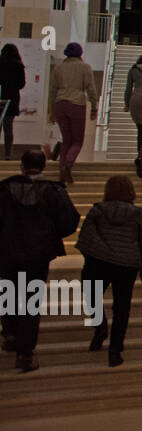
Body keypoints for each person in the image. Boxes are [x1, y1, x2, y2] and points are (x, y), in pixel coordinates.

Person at [0, 150, 80, 372]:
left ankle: (10, 333)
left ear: (22, 167)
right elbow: (69, 220)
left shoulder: (4, 189)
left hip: (7, 251)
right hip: (38, 254)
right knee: (31, 301)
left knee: (8, 292)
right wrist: (51, 234)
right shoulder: (53, 191)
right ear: (44, 166)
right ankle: (25, 354)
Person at [76, 175, 142, 367]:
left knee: (91, 296)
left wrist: (97, 254)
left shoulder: (97, 211)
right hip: (126, 265)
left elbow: (85, 238)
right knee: (122, 308)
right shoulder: (138, 215)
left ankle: (100, 326)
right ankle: (115, 351)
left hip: (99, 263)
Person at [47, 42, 99, 185]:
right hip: (77, 104)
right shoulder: (85, 67)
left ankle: (62, 172)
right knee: (77, 141)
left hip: (60, 104)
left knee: (66, 140)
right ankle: (68, 164)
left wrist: (52, 111)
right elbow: (91, 89)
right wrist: (94, 107)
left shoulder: (58, 68)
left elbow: (52, 91)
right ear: (80, 53)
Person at [0, 43, 25, 159]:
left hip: (1, 95)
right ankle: (7, 154)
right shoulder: (19, 65)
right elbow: (21, 84)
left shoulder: (1, 63)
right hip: (13, 98)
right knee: (8, 128)